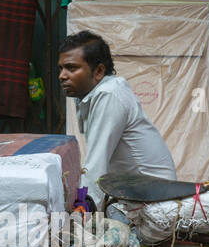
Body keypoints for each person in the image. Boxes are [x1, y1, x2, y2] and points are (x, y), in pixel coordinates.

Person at [57, 31, 176, 206]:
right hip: (136, 193)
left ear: (98, 71)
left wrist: (82, 206)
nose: (62, 76)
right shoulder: (91, 95)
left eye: (71, 68)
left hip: (152, 200)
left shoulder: (109, 94)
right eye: (60, 68)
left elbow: (96, 163)